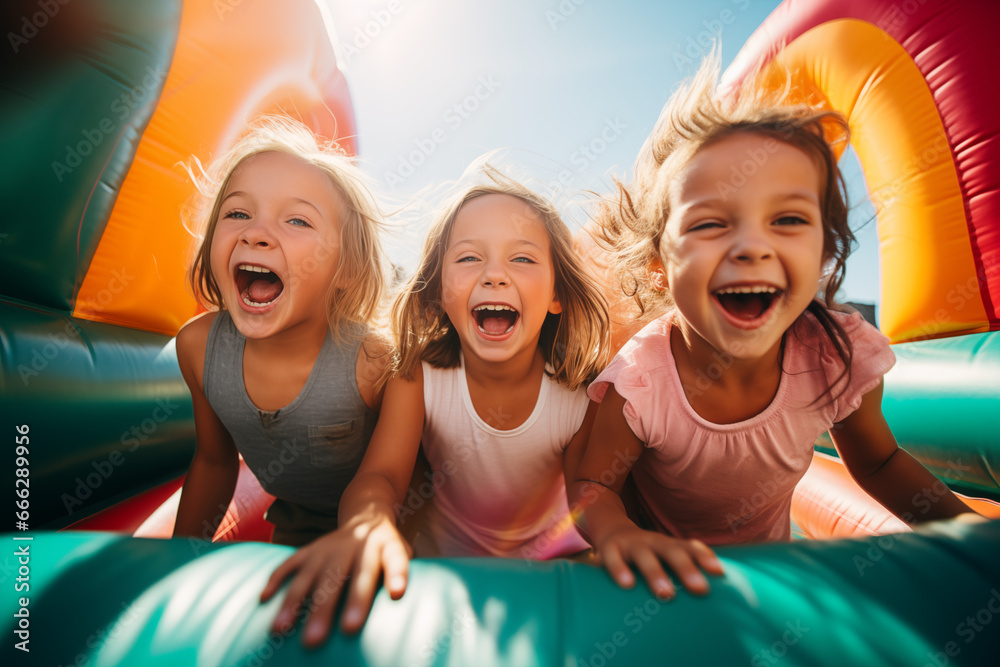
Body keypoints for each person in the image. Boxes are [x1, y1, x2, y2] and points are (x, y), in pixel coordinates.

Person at [569, 56, 973, 601]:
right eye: (710, 223)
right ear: (657, 264)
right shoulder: (640, 382)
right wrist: (620, 535)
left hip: (772, 571)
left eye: (787, 220)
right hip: (667, 587)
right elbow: (594, 484)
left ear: (825, 251)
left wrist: (967, 530)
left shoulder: (835, 356)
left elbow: (878, 462)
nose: (753, 246)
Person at [260, 164, 611, 645]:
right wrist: (368, 524)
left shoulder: (575, 395)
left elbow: (587, 500)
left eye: (523, 260)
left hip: (550, 565)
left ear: (557, 295)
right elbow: (381, 475)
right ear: (436, 294)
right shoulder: (420, 375)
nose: (494, 276)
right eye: (469, 258)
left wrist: (618, 536)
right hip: (436, 564)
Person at [172, 116, 389, 548]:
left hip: (396, 529)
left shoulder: (373, 363)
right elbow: (215, 464)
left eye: (297, 221)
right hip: (298, 524)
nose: (256, 233)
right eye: (237, 213)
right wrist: (173, 558)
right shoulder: (199, 348)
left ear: (345, 268)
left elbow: (396, 475)